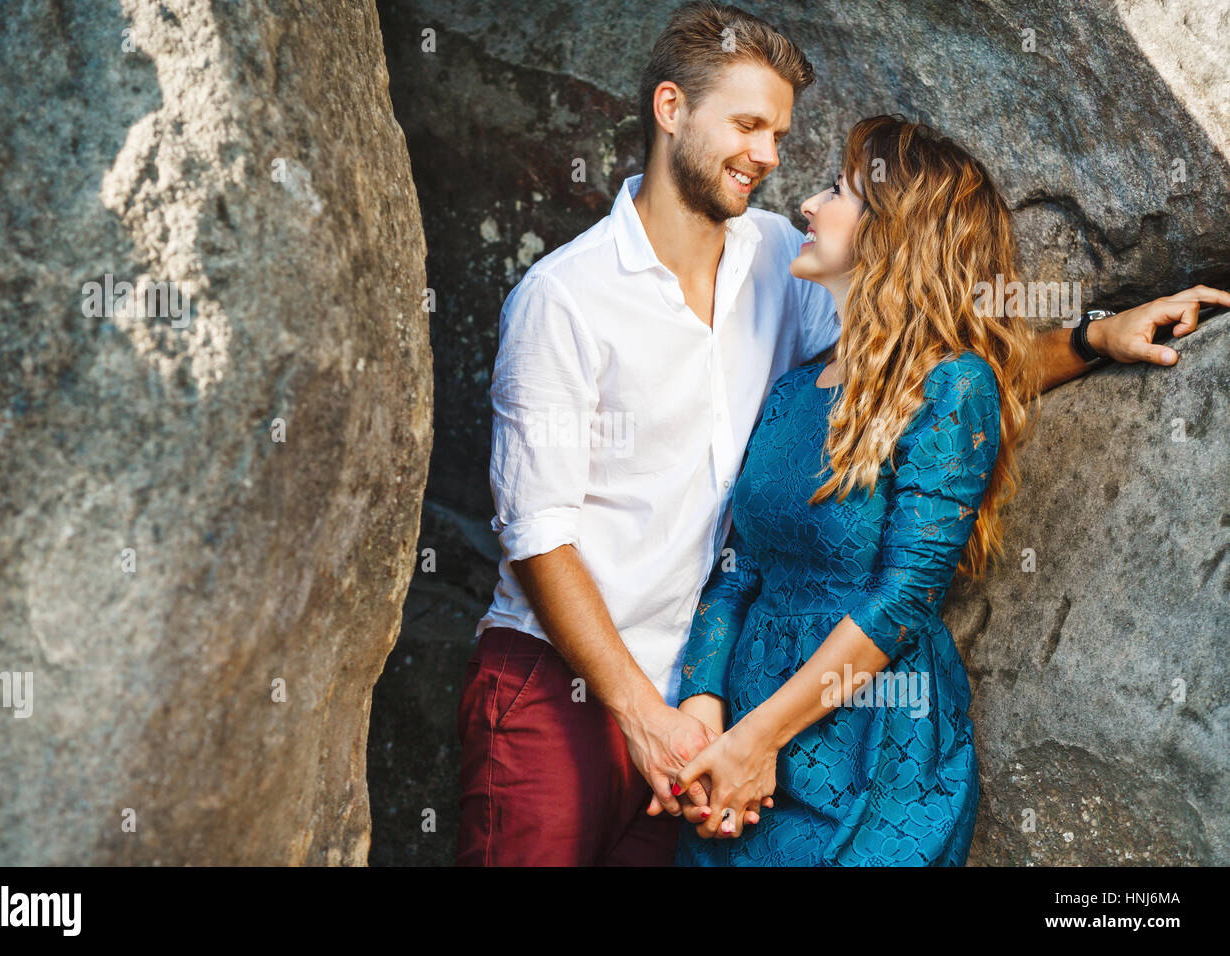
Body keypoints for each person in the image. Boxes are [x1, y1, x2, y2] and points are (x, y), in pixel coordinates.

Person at [455, 1, 1230, 867]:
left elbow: (918, 373)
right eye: (748, 124)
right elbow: (538, 532)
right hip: (567, 686)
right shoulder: (566, 297)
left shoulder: (775, 263)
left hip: (709, 704)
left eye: (782, 135)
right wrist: (653, 716)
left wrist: (1090, 337)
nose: (771, 159)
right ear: (670, 110)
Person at [674, 114, 1028, 865]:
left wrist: (759, 736)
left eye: (837, 191)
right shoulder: (793, 391)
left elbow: (903, 601)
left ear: (896, 233)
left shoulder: (954, 386)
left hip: (870, 757)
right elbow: (738, 570)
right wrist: (706, 713)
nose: (807, 204)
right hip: (742, 747)